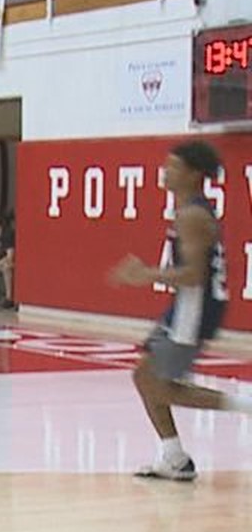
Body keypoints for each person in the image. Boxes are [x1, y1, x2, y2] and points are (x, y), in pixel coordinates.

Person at [108, 140, 252, 482]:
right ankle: (174, 457)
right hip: (188, 305)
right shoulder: (187, 209)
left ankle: (246, 407)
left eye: (172, 166)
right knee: (144, 376)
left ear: (194, 174)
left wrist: (147, 274)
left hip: (194, 308)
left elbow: (194, 275)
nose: (165, 171)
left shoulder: (192, 216)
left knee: (157, 384)